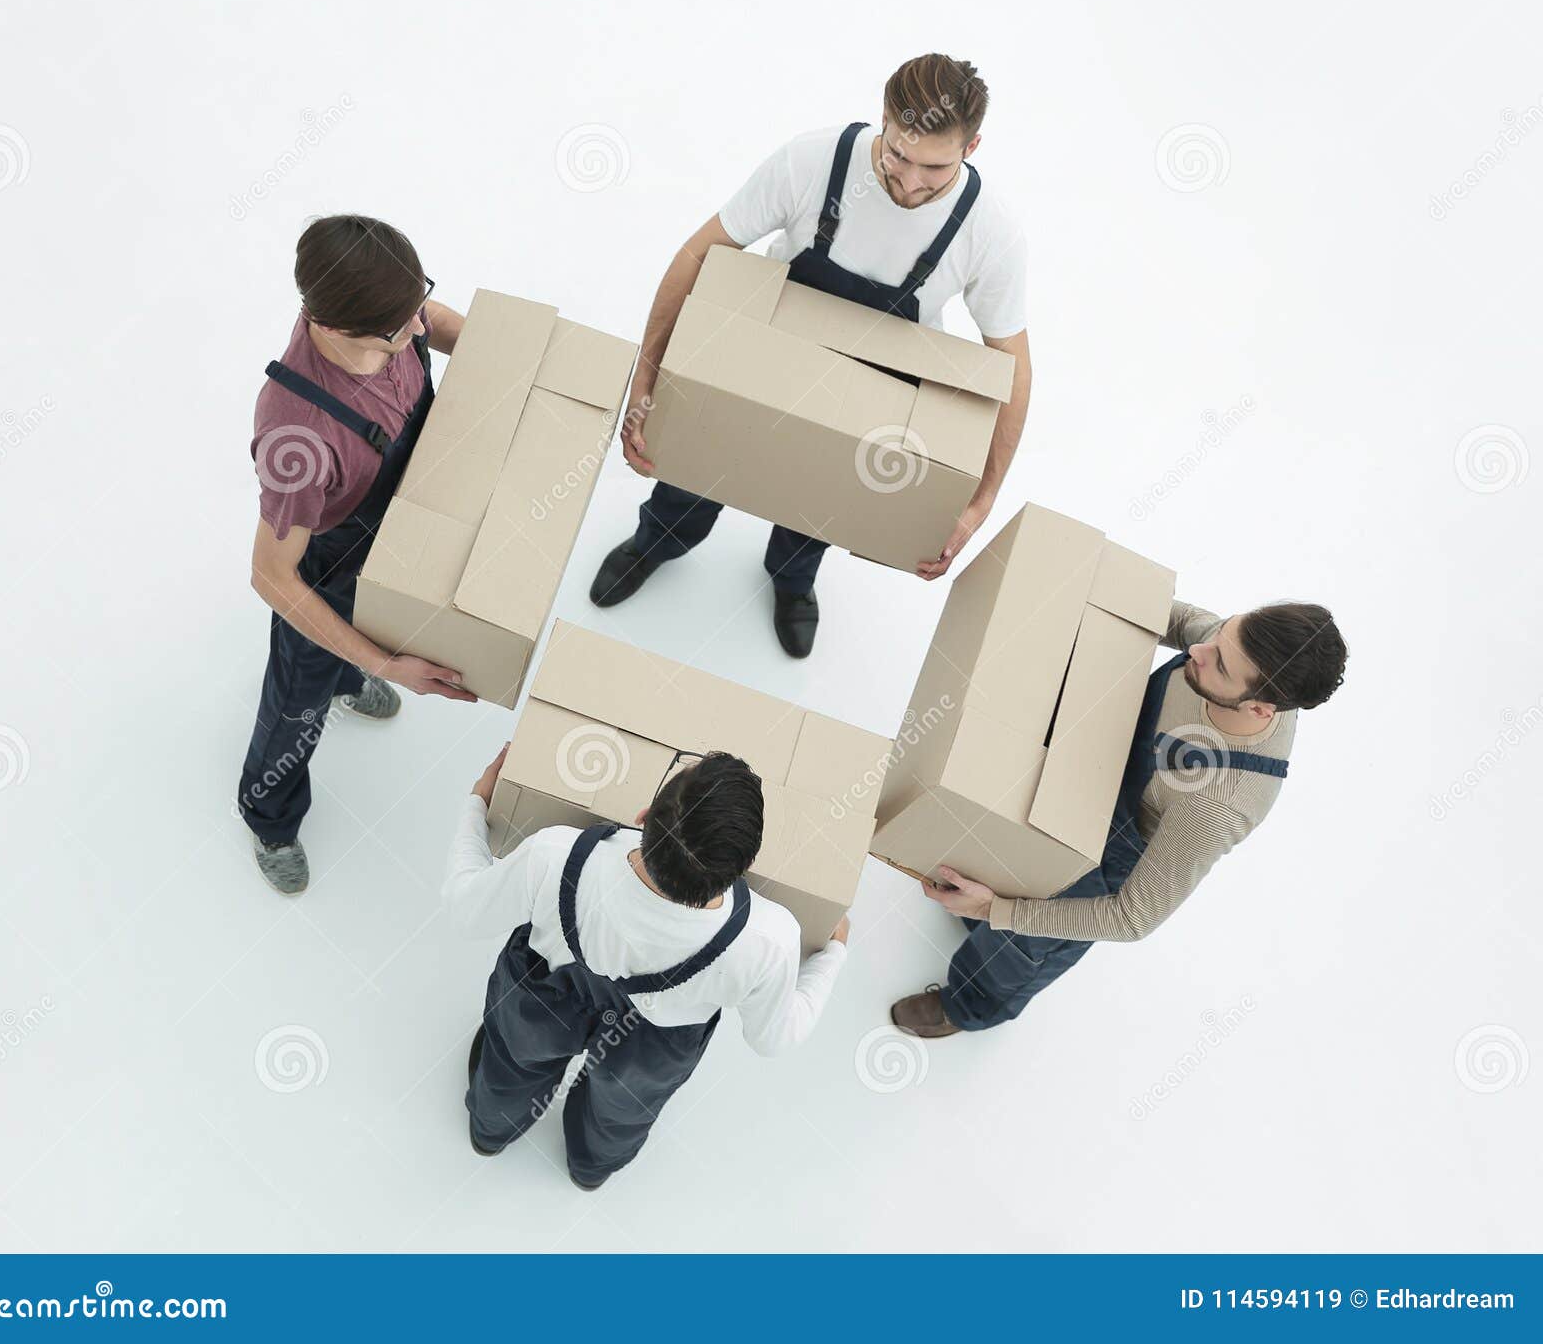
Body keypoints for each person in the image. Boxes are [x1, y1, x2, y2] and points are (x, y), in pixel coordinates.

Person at [590, 53, 1033, 658]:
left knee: (823, 500)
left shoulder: (990, 230)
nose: (907, 181)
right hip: (758, 347)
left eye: (934, 167)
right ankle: (660, 539)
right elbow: (699, 252)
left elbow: (1012, 366)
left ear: (973, 146)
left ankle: (793, 578)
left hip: (865, 388)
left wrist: (981, 500)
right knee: (698, 455)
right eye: (897, 155)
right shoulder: (812, 161)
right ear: (882, 118)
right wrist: (645, 379)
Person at [890, 600, 1348, 1036]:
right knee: (1002, 861)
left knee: (1020, 946)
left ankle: (970, 1005)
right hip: (1085, 776)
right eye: (1221, 634)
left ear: (1260, 709)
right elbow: (1175, 617)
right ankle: (982, 913)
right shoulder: (1233, 649)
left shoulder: (1219, 802)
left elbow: (1131, 919)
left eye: (1220, 664)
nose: (1198, 650)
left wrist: (997, 910)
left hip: (1107, 858)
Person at [446, 745, 849, 1190]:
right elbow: (774, 1038)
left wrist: (476, 805)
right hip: (654, 1044)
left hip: (543, 997)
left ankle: (491, 1132)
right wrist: (831, 957)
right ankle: (589, 1168)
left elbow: (466, 909)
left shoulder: (555, 853)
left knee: (513, 1065)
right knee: (620, 1113)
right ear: (745, 867)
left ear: (643, 815)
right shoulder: (769, 938)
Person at [237, 215, 478, 896]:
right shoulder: (297, 435)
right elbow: (270, 575)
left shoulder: (388, 306)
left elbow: (435, 319)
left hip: (398, 527)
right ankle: (269, 814)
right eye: (401, 329)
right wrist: (387, 664)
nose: (418, 329)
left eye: (416, 305)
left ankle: (349, 674)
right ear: (337, 328)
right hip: (328, 564)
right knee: (297, 706)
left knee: (367, 632)